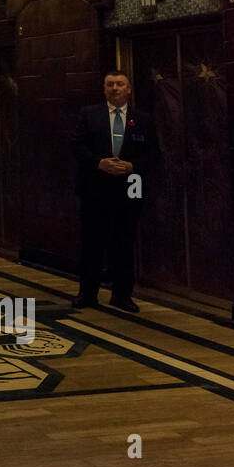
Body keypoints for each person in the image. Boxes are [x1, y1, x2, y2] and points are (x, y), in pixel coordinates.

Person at [70, 70, 160, 312]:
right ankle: (87, 294)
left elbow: (154, 154)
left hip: (128, 191)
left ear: (129, 89)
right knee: (92, 243)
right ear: (104, 89)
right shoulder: (89, 115)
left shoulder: (143, 119)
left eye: (120, 84)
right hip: (95, 189)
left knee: (124, 243)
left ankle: (122, 295)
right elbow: (77, 146)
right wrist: (99, 163)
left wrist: (132, 166)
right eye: (110, 85)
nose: (115, 89)